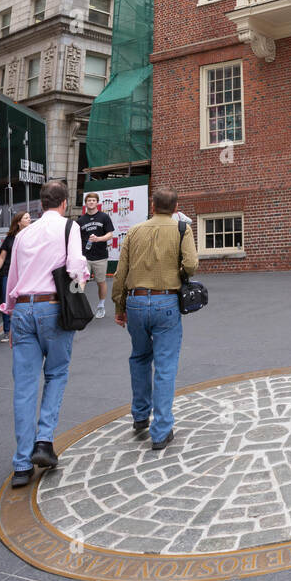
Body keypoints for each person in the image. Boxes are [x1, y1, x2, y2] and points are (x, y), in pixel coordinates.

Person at [3, 180, 89, 488]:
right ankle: (43, 440)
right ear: (64, 203)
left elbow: (13, 278)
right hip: (53, 308)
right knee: (56, 374)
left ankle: (22, 464)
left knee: (24, 386)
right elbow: (77, 269)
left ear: (41, 205)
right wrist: (83, 280)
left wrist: (11, 318)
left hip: (24, 309)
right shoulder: (70, 228)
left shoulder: (24, 234)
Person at [113, 185, 198, 451]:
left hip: (136, 301)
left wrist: (119, 306)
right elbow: (192, 264)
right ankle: (160, 431)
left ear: (152, 206)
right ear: (175, 207)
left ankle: (140, 415)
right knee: (165, 365)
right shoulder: (182, 229)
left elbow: (120, 273)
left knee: (139, 357)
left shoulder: (135, 231)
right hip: (166, 300)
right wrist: (179, 272)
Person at [0, 211, 31, 342]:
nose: (29, 219)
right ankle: (7, 331)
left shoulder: (33, 236)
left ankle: (25, 328)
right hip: (9, 274)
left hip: (26, 274)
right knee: (7, 302)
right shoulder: (10, 238)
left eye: (29, 217)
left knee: (26, 302)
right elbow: (2, 257)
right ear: (19, 222)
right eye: (26, 217)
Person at [78, 192, 116, 319]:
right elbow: (76, 238)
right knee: (81, 281)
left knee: (101, 282)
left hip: (100, 256)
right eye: (89, 200)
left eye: (94, 200)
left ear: (97, 202)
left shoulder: (104, 217)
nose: (91, 202)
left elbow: (110, 234)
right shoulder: (80, 220)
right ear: (86, 203)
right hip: (85, 257)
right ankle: (78, 307)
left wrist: (98, 239)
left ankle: (101, 305)